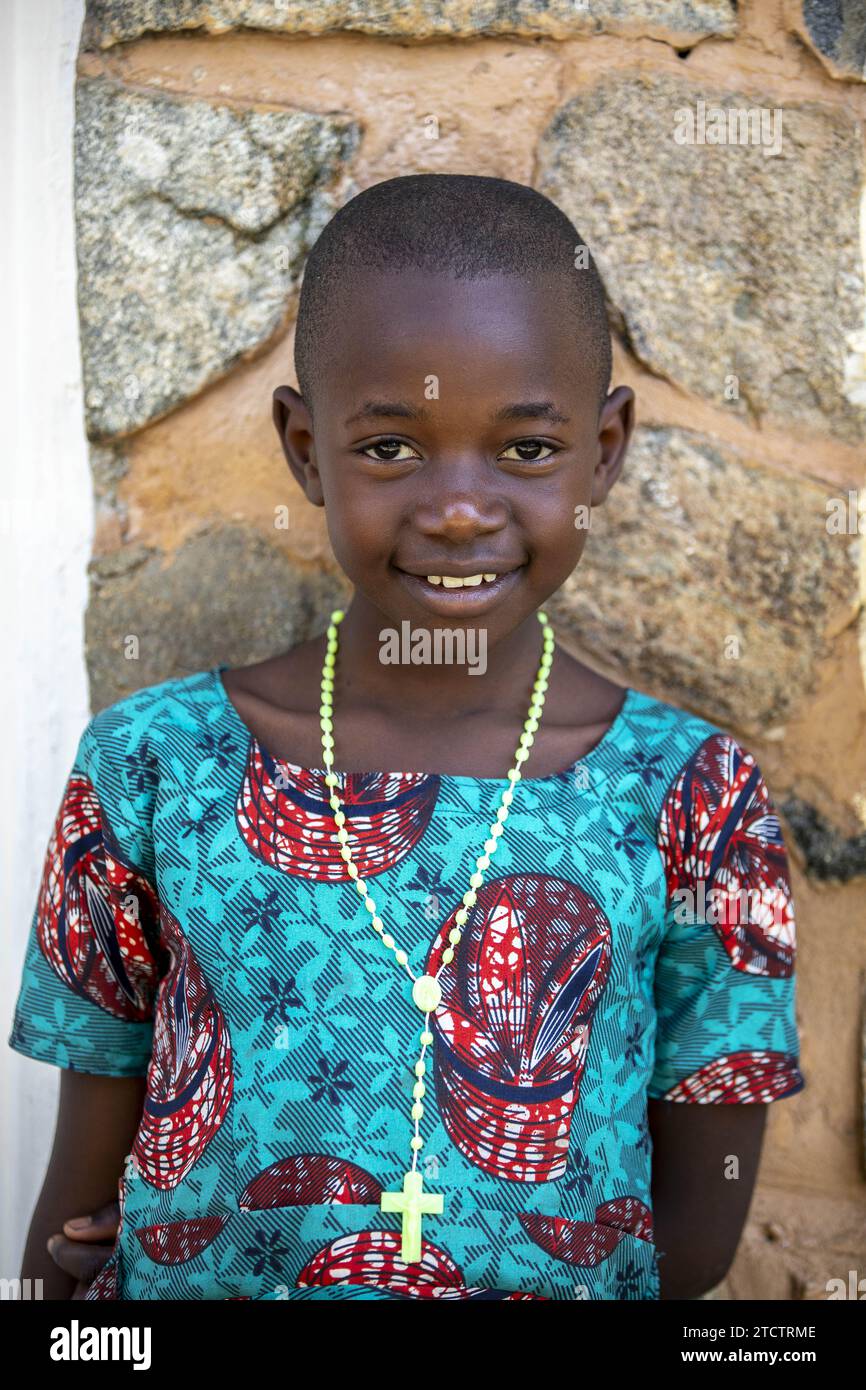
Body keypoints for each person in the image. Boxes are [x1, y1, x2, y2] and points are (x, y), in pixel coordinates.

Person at [9, 174, 805, 1301]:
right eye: (389, 448)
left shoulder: (697, 799)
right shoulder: (150, 766)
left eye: (525, 451)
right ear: (302, 447)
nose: (459, 508)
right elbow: (76, 1220)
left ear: (606, 448)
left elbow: (687, 1239)